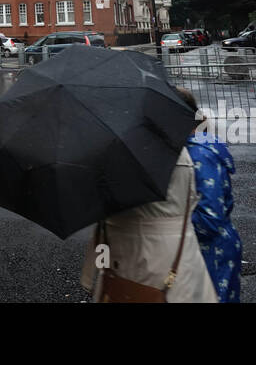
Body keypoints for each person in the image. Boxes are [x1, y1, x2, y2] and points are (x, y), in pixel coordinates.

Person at [80, 145, 218, 303]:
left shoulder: (111, 154)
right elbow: (191, 198)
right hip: (180, 253)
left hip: (127, 254)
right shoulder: (178, 152)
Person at [176, 88, 242, 302]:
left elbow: (209, 219)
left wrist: (169, 222)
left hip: (213, 254)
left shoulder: (199, 154)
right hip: (211, 251)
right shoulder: (200, 147)